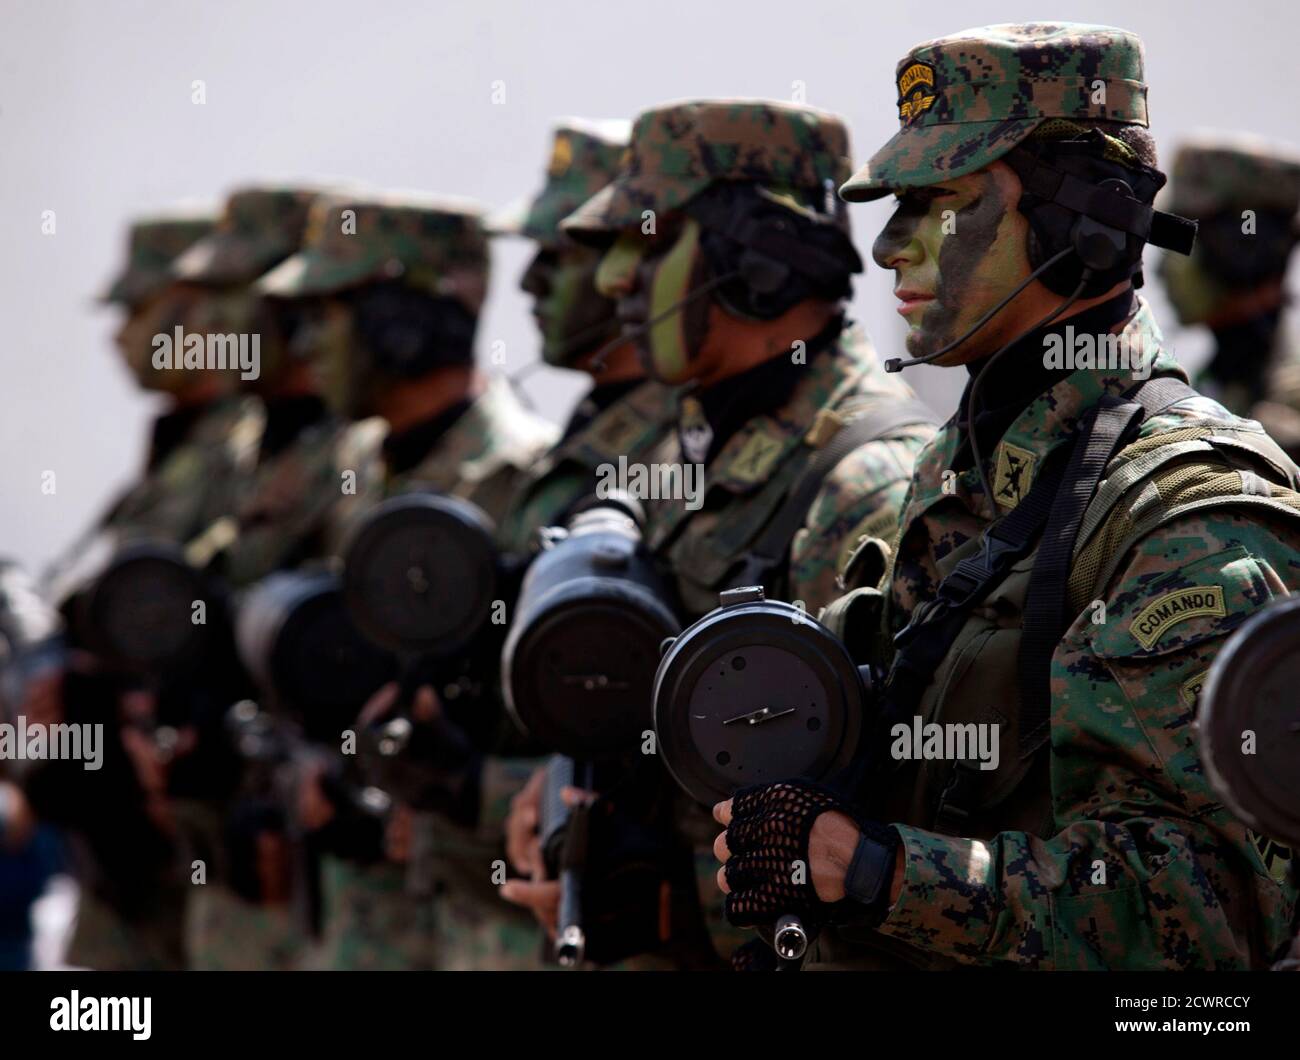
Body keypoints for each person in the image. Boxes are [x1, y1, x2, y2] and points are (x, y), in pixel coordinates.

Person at [708, 23, 1300, 971]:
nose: (890, 247)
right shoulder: (976, 461)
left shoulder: (1189, 510)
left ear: (1086, 223)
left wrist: (877, 873)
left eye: (936, 203)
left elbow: (1205, 918)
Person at [501, 98, 936, 966]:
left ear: (756, 261)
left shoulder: (866, 482)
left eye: (651, 243)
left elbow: (888, 832)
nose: (617, 279)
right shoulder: (683, 456)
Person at [255, 190, 558, 969]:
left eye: (332, 313)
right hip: (361, 926)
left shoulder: (526, 484)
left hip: (482, 932)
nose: (309, 342)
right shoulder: (350, 468)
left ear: (403, 321)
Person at [1157, 133, 1300, 457]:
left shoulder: (1289, 410)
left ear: (1246, 251)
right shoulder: (1201, 393)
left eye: (1184, 240)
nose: (1162, 269)